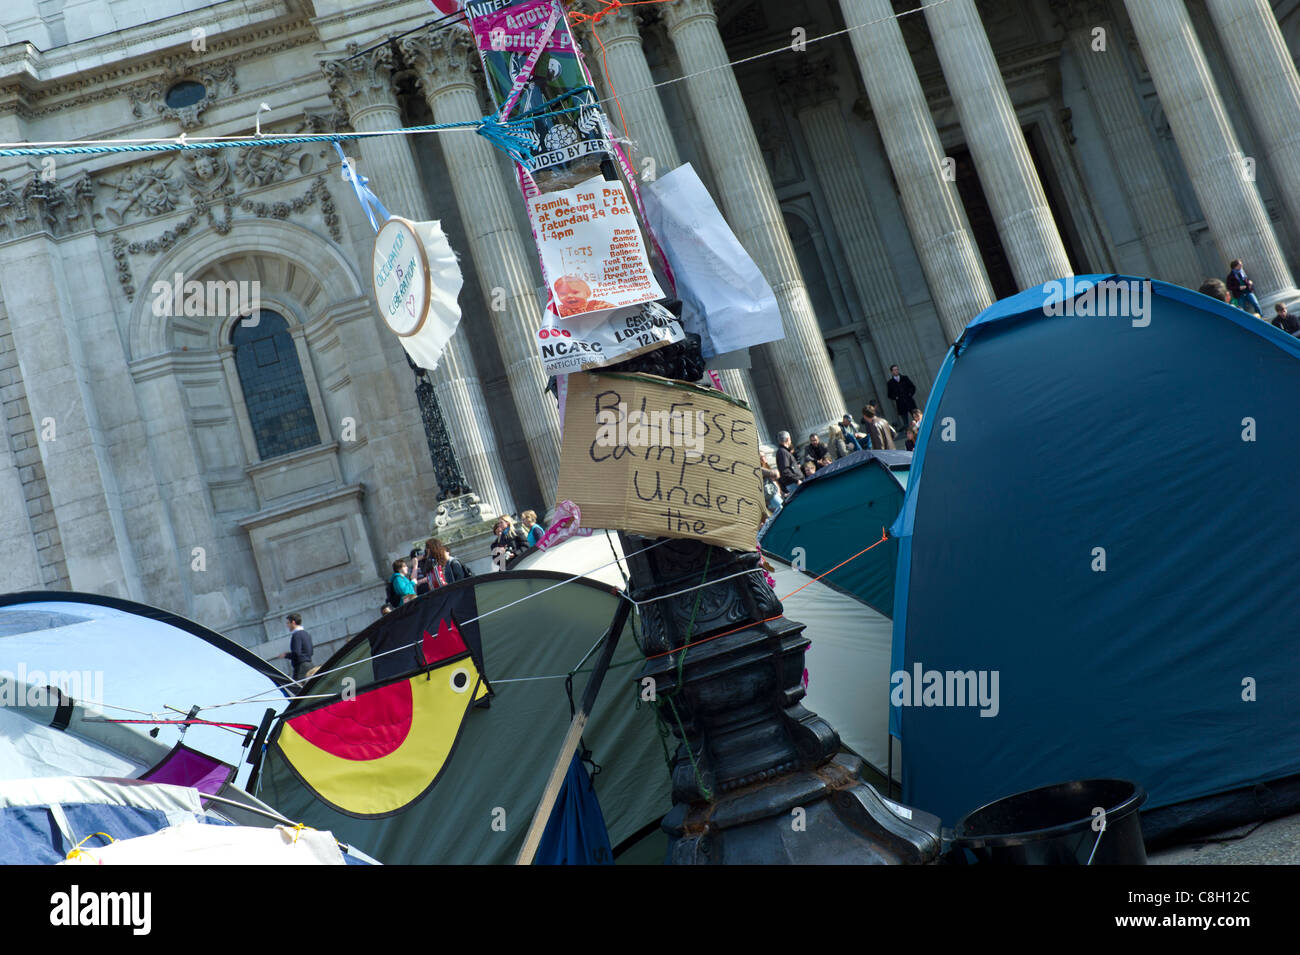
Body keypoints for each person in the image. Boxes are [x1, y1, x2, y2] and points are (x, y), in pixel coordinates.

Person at [273, 612, 313, 682]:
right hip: (309, 665)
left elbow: (296, 653)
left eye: (288, 623)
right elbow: (311, 651)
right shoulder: (306, 634)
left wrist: (286, 655)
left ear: (293, 622)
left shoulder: (296, 635)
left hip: (301, 667)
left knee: (297, 689)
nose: (287, 625)